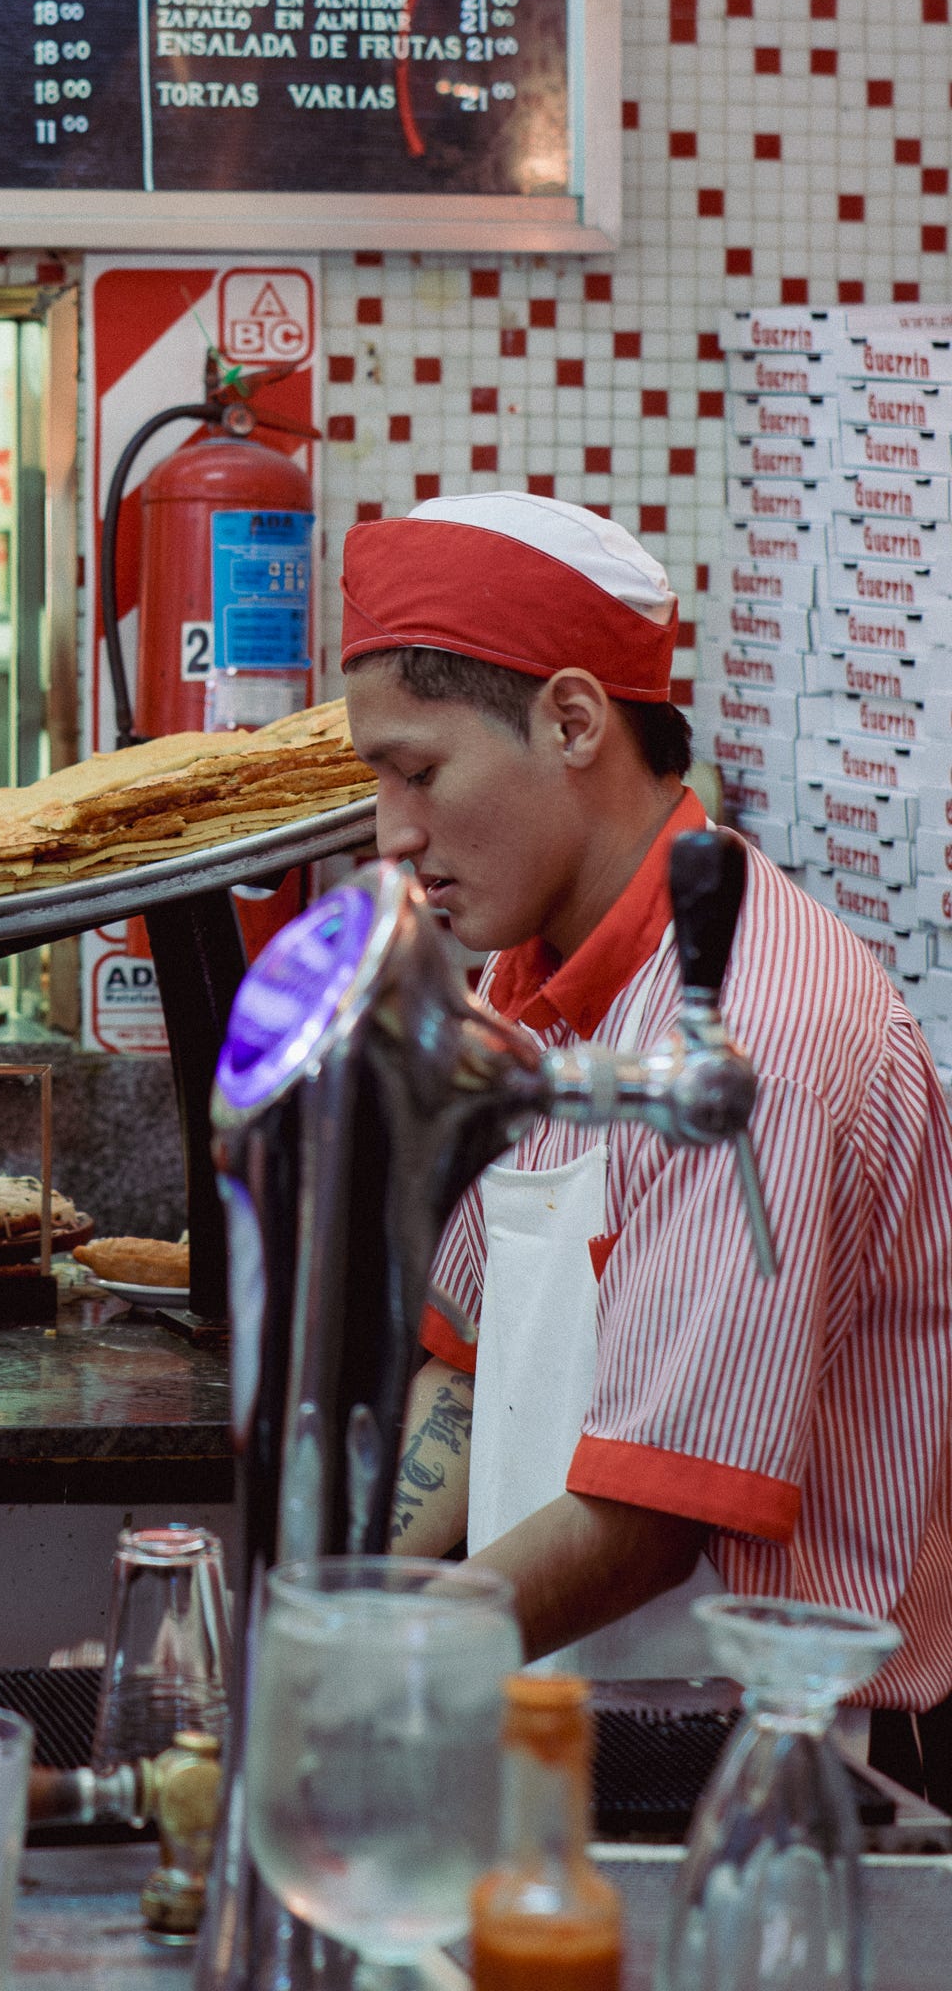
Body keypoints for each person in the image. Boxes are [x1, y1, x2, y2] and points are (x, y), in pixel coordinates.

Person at [339, 492, 952, 1797]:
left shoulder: (753, 1043)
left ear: (571, 720)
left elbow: (647, 1521)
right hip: (588, 1716)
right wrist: (363, 1594)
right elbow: (467, 1356)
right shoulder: (531, 982)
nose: (392, 838)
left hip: (785, 1768)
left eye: (419, 773)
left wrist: (348, 1671)